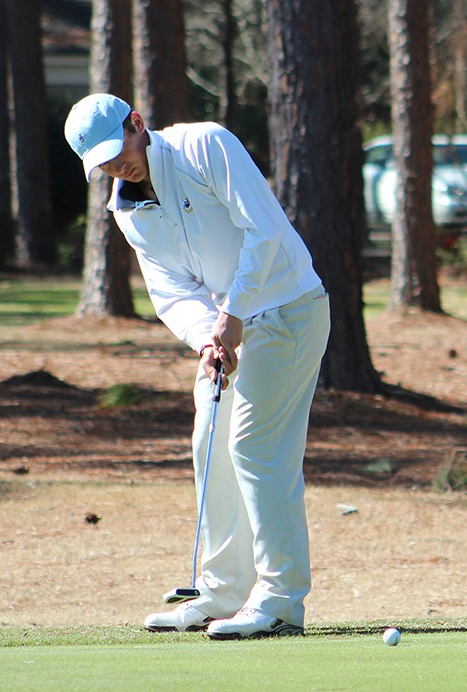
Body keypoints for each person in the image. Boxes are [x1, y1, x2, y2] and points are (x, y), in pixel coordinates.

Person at [64, 93, 330, 639]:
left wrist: (232, 313)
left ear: (137, 124)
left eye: (120, 151)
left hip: (288, 310)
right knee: (209, 441)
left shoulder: (205, 144)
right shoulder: (126, 211)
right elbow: (170, 290)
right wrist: (205, 340)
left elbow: (265, 229)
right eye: (104, 164)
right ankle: (221, 594)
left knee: (254, 447)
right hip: (226, 330)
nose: (119, 167)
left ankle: (281, 600)